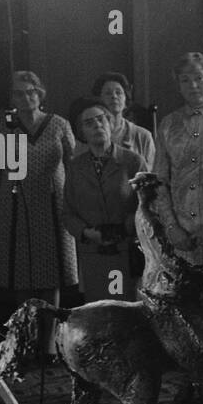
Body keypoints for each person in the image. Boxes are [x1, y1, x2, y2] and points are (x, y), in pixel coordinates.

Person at [0, 69, 78, 355]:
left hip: (53, 203)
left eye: (31, 91)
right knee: (22, 272)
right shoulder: (4, 126)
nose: (26, 97)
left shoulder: (58, 125)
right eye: (19, 93)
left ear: (40, 94)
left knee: (50, 271)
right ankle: (25, 339)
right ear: (12, 98)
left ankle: (49, 341)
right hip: (16, 202)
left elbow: (74, 163)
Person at [149, 52, 203, 290]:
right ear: (178, 86)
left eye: (199, 78)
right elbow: (159, 182)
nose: (193, 85)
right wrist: (171, 227)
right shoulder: (168, 124)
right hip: (180, 238)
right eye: (185, 80)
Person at [63, 103, 145, 302]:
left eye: (101, 119)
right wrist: (86, 232)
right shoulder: (75, 167)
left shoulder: (133, 162)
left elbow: (147, 205)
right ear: (81, 131)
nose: (97, 125)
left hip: (124, 251)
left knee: (121, 310)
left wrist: (126, 227)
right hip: (92, 252)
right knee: (97, 313)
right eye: (89, 123)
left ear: (110, 124)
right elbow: (67, 211)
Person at [79, 71, 156, 170]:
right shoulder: (89, 133)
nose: (114, 96)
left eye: (118, 92)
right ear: (98, 100)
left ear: (126, 100)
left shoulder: (142, 136)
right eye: (108, 93)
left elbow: (152, 174)